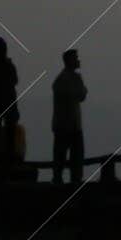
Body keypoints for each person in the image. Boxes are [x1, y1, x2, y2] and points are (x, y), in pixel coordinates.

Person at [52, 49, 87, 186]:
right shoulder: (65, 79)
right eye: (76, 58)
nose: (78, 60)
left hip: (69, 125)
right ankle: (68, 182)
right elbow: (81, 94)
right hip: (66, 126)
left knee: (66, 157)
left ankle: (64, 181)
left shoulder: (64, 79)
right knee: (69, 157)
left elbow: (81, 94)